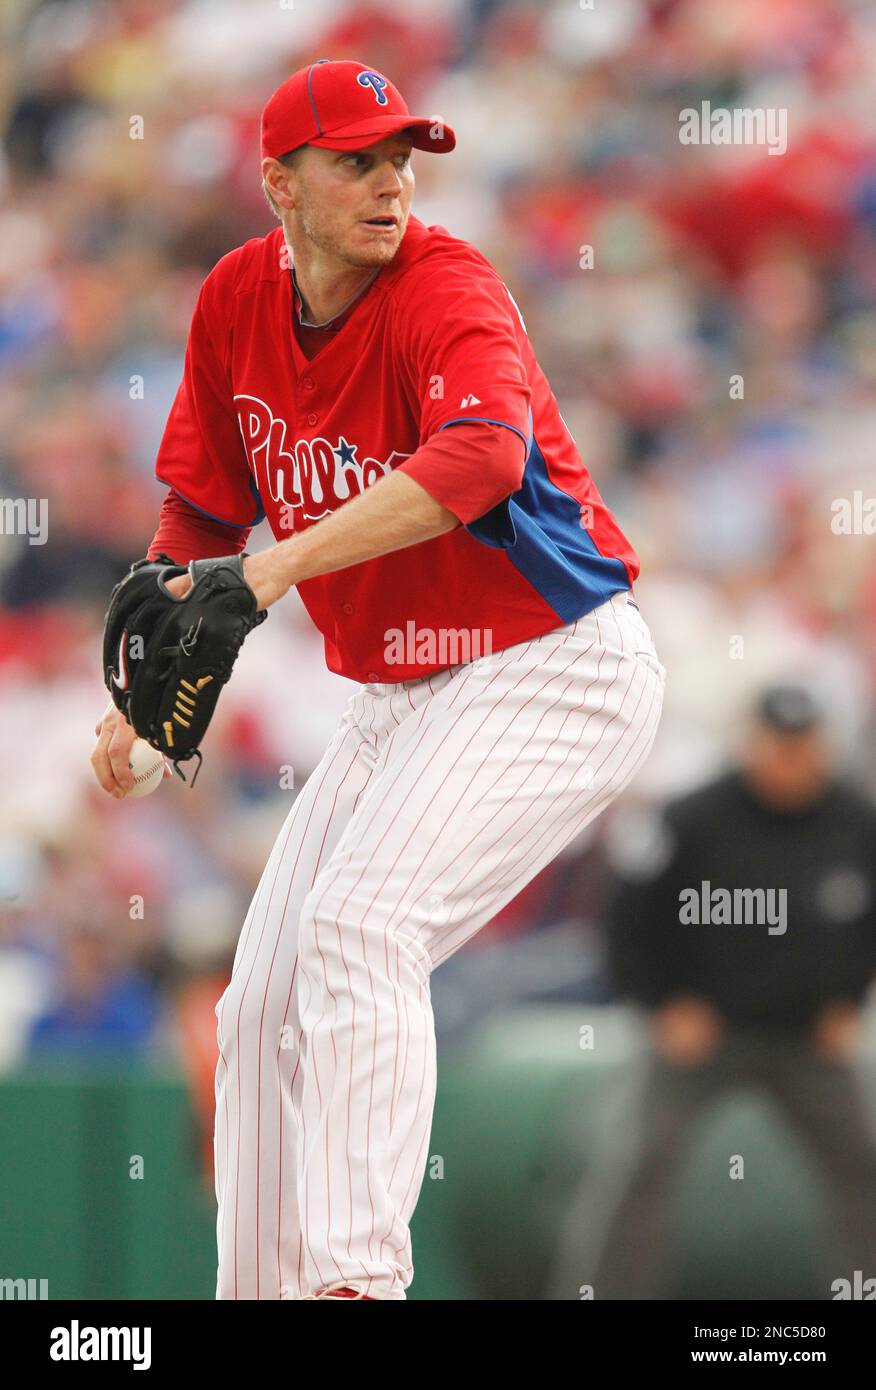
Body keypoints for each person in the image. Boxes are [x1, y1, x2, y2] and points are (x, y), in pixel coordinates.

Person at [90, 59, 665, 1300]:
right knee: (258, 1003)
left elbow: (478, 460)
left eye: (402, 156)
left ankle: (353, 1284)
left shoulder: (447, 286)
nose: (391, 180)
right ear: (279, 184)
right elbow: (201, 506)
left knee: (359, 929)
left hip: (555, 662)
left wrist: (276, 568)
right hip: (407, 697)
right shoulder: (239, 297)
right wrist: (144, 704)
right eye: (356, 159)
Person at [551, 684, 876, 1300]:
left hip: (809, 1038)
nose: (792, 761)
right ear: (751, 744)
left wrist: (850, 1000)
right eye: (779, 746)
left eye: (804, 747)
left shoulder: (855, 820)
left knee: (863, 1168)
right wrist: (660, 1003)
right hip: (703, 1034)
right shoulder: (690, 818)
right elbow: (625, 913)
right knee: (637, 1167)